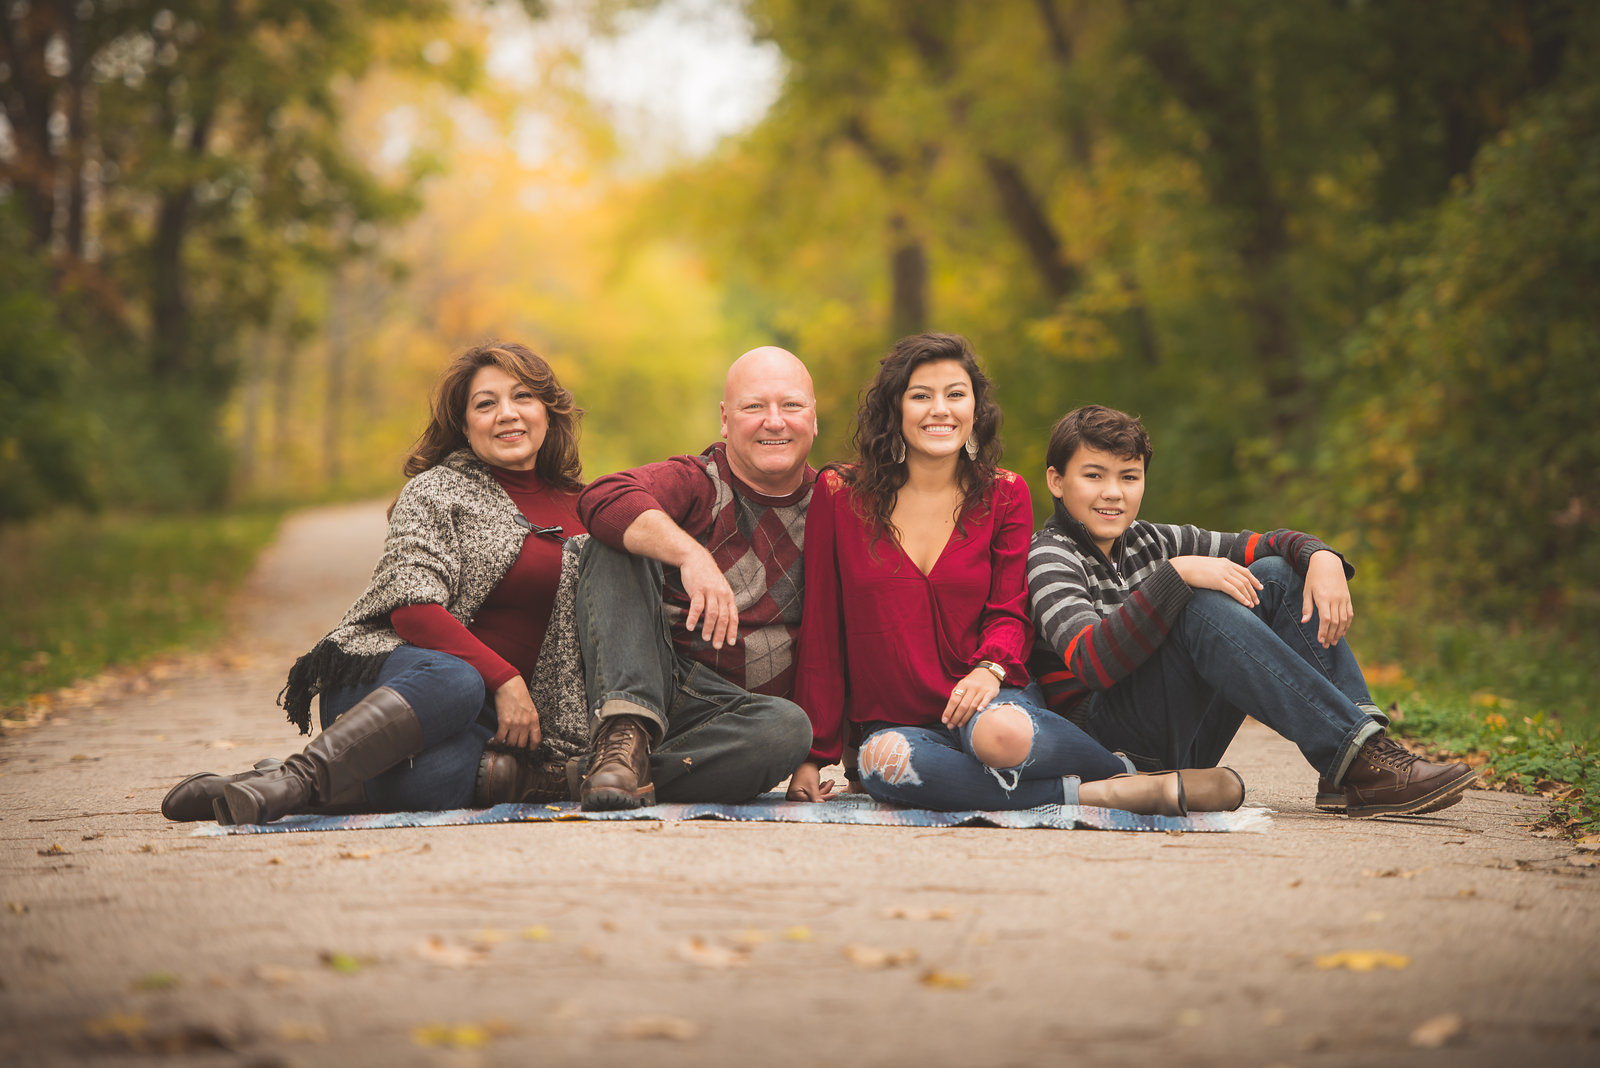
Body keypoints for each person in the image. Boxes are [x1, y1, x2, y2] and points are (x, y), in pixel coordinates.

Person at [789, 334, 1244, 816]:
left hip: (991, 693)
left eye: (955, 394)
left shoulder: (1003, 493)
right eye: (921, 395)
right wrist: (813, 756)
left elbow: (1009, 611)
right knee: (886, 766)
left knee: (999, 736)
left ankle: (1113, 772)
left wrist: (990, 669)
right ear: (894, 408)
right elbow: (822, 627)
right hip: (894, 720)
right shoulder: (840, 494)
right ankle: (1114, 788)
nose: (939, 410)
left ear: (975, 411)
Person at [161, 342, 591, 824]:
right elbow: (412, 608)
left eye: (522, 397)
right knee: (458, 678)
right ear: (465, 425)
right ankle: (299, 779)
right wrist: (505, 679)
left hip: (486, 723)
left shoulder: (588, 508)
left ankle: (266, 784)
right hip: (402, 677)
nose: (506, 414)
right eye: (485, 404)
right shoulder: (436, 490)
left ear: (548, 411)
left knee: (443, 780)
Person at [1025, 405, 1478, 818]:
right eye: (1093, 476)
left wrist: (1321, 556)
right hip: (1108, 750)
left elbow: (1265, 545)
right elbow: (1091, 663)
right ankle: (1357, 758)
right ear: (1056, 481)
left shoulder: (1149, 540)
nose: (1113, 493)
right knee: (1196, 602)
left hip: (1180, 741)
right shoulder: (1049, 556)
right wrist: (1176, 575)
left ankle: (1358, 764)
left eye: (1128, 477)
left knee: (1276, 574)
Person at [570, 346, 818, 810]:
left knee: (788, 729)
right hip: (653, 674)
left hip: (733, 717)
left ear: (813, 417)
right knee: (617, 535)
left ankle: (596, 773)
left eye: (790, 405)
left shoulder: (833, 507)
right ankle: (627, 731)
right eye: (753, 407)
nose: (774, 421)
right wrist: (690, 554)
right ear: (726, 420)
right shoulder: (699, 480)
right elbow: (603, 495)